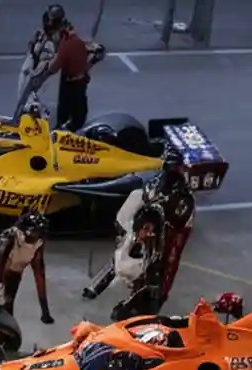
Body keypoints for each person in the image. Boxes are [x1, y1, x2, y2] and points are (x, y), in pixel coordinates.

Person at [83, 147, 195, 320]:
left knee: (165, 262)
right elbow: (141, 201)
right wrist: (137, 226)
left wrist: (156, 233)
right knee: (125, 249)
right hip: (148, 220)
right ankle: (98, 285)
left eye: (172, 167)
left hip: (172, 228)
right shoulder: (154, 183)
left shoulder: (182, 195)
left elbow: (179, 220)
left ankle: (154, 299)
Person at [0, 208, 54, 323]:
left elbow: (39, 276)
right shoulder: (8, 239)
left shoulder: (38, 244)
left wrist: (45, 311)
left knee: (9, 302)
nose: (38, 238)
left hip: (16, 268)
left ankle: (6, 323)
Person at [45, 17, 98, 131]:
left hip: (70, 85)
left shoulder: (66, 46)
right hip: (81, 81)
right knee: (80, 113)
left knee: (65, 114)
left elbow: (53, 68)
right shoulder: (79, 41)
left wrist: (50, 62)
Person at [17, 4, 65, 110]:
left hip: (44, 76)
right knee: (22, 101)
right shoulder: (40, 33)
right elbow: (31, 48)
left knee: (36, 107)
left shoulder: (59, 38)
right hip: (31, 69)